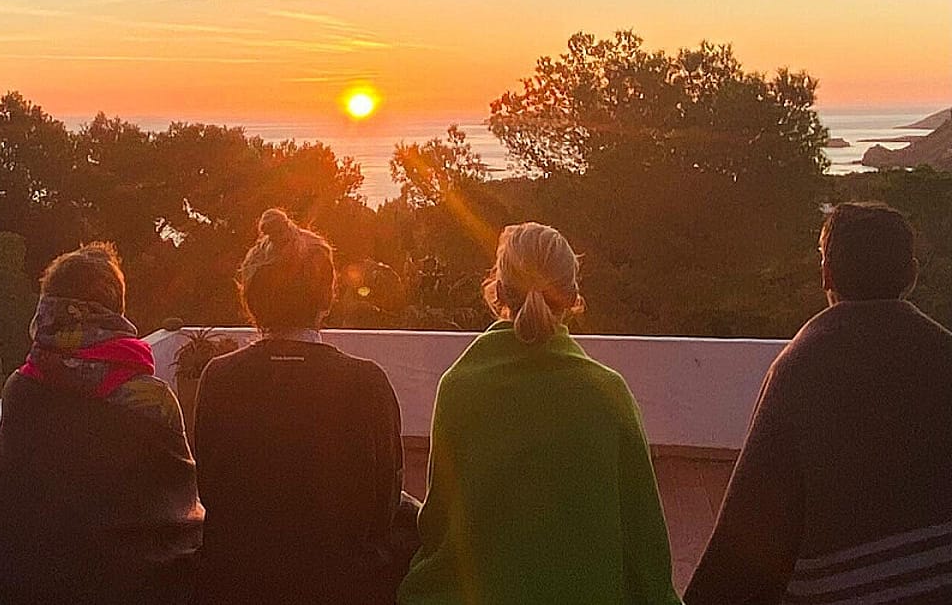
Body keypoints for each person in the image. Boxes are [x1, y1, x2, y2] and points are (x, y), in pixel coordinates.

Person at [398, 222, 680, 605]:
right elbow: (644, 540)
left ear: (498, 290)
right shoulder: (608, 394)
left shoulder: (459, 387)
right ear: (572, 295)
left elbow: (439, 526)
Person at [686, 203, 952, 604]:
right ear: (911, 275)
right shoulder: (944, 355)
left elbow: (754, 522)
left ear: (827, 273)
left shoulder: (798, 371)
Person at [0, 243, 203, 604]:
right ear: (115, 311)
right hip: (129, 588)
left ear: (47, 311)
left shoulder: (22, 388)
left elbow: (8, 503)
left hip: (25, 587)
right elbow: (181, 510)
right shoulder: (151, 400)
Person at [193, 208, 410, 605]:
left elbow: (210, 491)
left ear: (251, 297)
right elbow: (384, 507)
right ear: (327, 294)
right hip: (342, 588)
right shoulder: (366, 383)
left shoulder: (219, 379)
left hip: (238, 586)